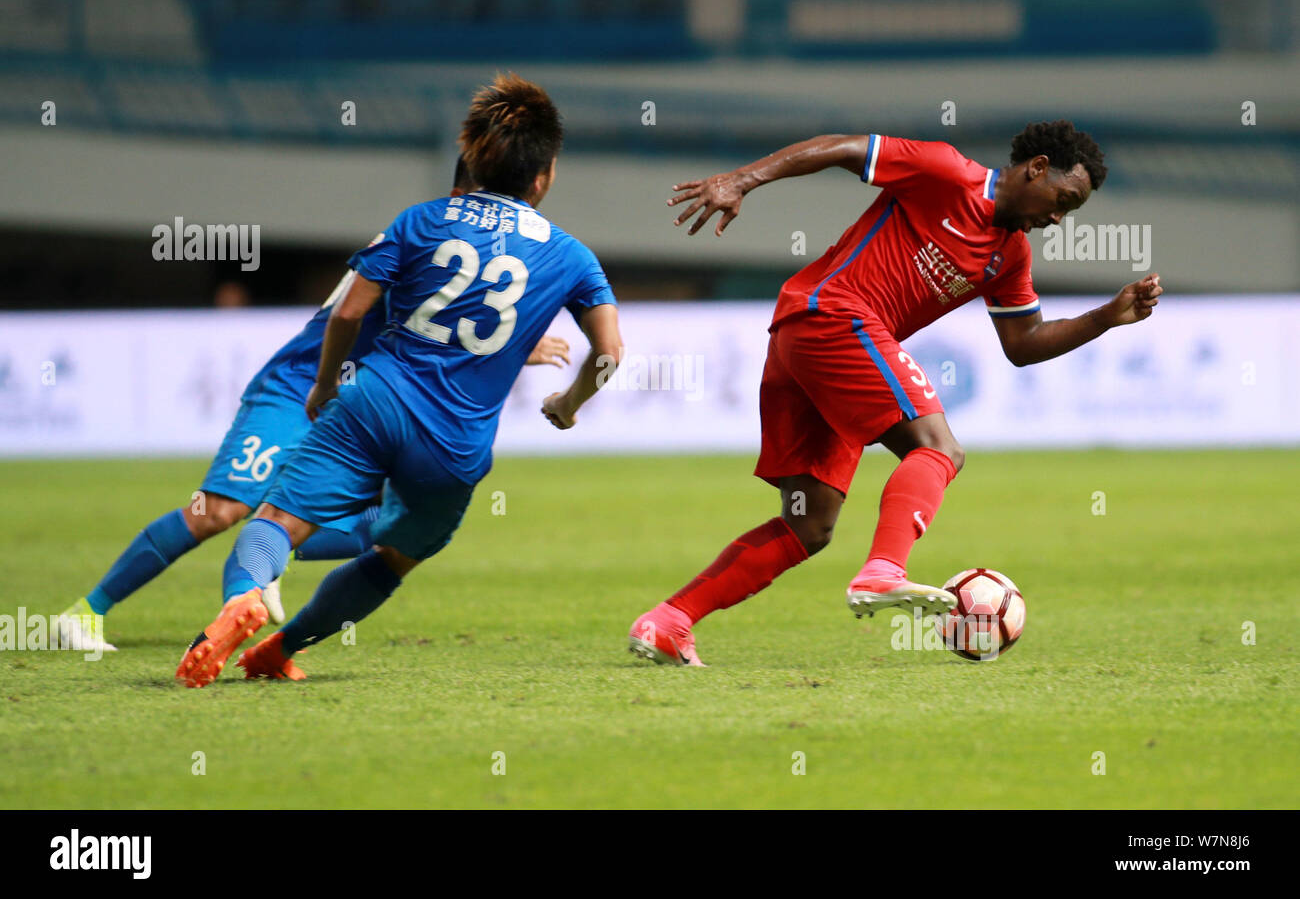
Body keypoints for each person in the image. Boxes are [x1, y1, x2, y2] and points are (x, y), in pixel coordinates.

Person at [629, 121, 1163, 665]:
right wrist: (744, 179)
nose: (1056, 218)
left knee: (809, 524)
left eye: (1068, 213)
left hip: (808, 340)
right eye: (1062, 201)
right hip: (833, 314)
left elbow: (1022, 344)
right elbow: (841, 147)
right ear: (1038, 168)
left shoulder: (1009, 257)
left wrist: (1105, 317)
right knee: (940, 449)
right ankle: (885, 569)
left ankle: (670, 620)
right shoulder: (946, 172)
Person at [175, 73, 622, 687]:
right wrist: (569, 405)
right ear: (542, 176)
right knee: (393, 558)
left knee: (278, 521)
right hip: (457, 446)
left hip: (376, 402)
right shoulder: (573, 256)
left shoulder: (420, 220)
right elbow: (610, 353)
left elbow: (350, 312)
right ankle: (284, 648)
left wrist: (325, 384)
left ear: (473, 157)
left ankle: (243, 600)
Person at [58, 157, 570, 653]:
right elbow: (416, 317)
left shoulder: (446, 245)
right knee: (217, 510)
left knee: (382, 523)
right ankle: (85, 611)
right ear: (460, 196)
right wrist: (517, 344)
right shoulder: (422, 239)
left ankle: (270, 557)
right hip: (300, 387)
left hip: (359, 401)